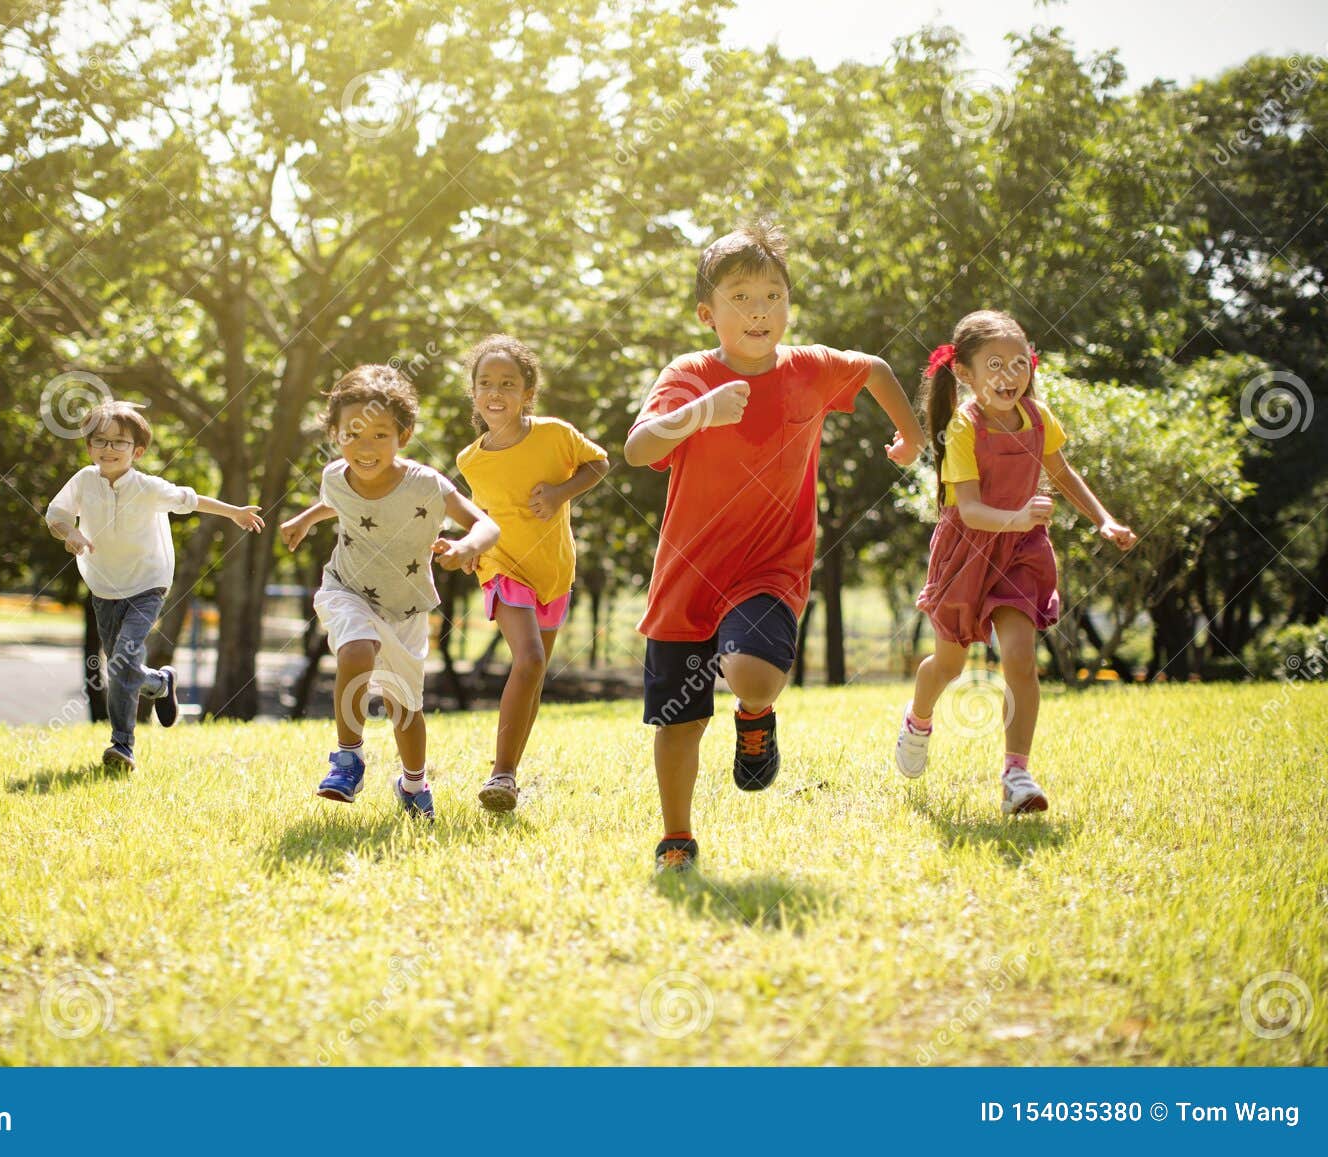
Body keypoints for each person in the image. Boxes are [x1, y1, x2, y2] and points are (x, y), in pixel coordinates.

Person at [624, 221, 927, 871]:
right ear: (708, 313)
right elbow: (638, 446)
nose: (760, 310)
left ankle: (755, 714)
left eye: (773, 295)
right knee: (679, 720)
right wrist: (697, 413)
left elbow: (873, 369)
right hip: (686, 576)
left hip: (768, 568)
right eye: (740, 296)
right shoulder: (688, 374)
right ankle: (677, 835)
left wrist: (911, 436)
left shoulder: (809, 370)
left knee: (752, 672)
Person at [895, 309, 1136, 814]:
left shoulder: (1039, 417)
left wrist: (1104, 519)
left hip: (1022, 552)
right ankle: (918, 721)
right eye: (995, 365)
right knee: (949, 664)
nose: (1010, 376)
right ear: (965, 373)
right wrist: (1023, 514)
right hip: (969, 551)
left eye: (1019, 363)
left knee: (1021, 660)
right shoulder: (964, 427)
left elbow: (1062, 473)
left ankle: (1016, 774)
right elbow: (973, 510)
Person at [281, 364, 499, 821]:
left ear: (404, 434)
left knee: (405, 709)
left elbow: (486, 523)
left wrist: (465, 547)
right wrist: (305, 519)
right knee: (357, 650)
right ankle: (347, 759)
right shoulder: (335, 476)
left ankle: (414, 784)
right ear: (335, 434)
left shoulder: (426, 484)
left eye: (380, 435)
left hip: (406, 605)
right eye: (353, 435)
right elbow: (338, 502)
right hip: (347, 588)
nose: (365, 447)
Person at [45, 400, 263, 771]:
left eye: (119, 442)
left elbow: (191, 500)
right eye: (100, 441)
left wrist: (235, 513)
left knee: (121, 663)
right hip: (103, 586)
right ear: (89, 447)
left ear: (138, 450)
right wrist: (72, 534)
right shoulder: (83, 480)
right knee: (123, 664)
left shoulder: (147, 487)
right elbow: (56, 515)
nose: (109, 449)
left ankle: (122, 746)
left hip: (147, 585)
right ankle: (159, 683)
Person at [455, 335, 608, 811]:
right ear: (474, 393)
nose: (495, 392)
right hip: (501, 565)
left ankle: (508, 780)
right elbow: (476, 513)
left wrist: (562, 492)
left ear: (527, 393)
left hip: (553, 568)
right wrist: (464, 547)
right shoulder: (470, 460)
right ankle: (500, 772)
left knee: (535, 671)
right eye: (485, 383)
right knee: (531, 660)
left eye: (507, 383)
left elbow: (599, 463)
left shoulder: (555, 434)